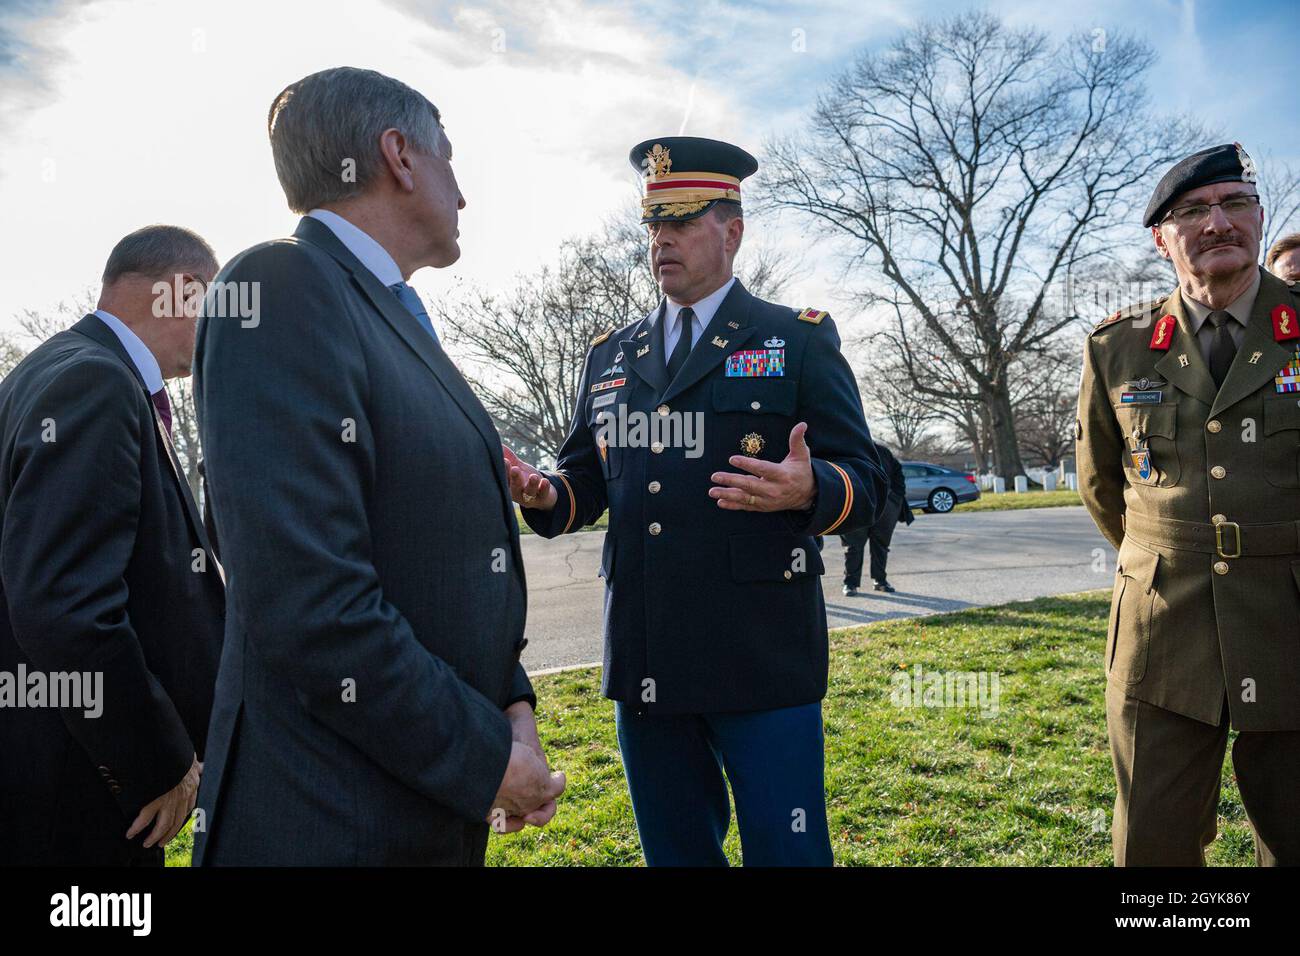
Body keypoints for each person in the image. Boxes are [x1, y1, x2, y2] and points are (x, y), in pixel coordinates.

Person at [191, 67, 563, 866]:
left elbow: (432, 563)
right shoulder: (277, 285)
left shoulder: (383, 309)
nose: (463, 195)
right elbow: (310, 600)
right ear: (398, 155)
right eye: (450, 160)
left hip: (410, 803)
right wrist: (485, 758)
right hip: (330, 820)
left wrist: (510, 702)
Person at [506, 136, 885, 866]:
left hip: (761, 658)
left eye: (680, 220)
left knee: (788, 854)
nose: (662, 240)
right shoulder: (611, 353)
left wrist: (813, 487)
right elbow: (585, 480)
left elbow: (866, 481)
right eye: (652, 225)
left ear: (732, 231)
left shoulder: (794, 339)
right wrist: (544, 490)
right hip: (649, 654)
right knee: (676, 855)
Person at [1076, 142, 1300, 866]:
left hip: (1292, 619)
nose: (1218, 223)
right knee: (1153, 844)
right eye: (1194, 211)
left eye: (1236, 204)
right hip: (1163, 629)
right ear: (1161, 237)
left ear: (1261, 218)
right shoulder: (1120, 347)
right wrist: (1169, 556)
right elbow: (1103, 485)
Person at [0, 225, 225, 865]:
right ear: (182, 291)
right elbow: (63, 607)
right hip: (74, 785)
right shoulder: (97, 382)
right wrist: (157, 759)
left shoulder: (52, 368)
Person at [842, 442, 911, 594]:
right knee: (853, 546)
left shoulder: (882, 451)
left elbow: (897, 472)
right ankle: (850, 583)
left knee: (881, 546)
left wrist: (895, 497)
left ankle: (880, 581)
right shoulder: (848, 448)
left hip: (886, 508)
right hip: (856, 506)